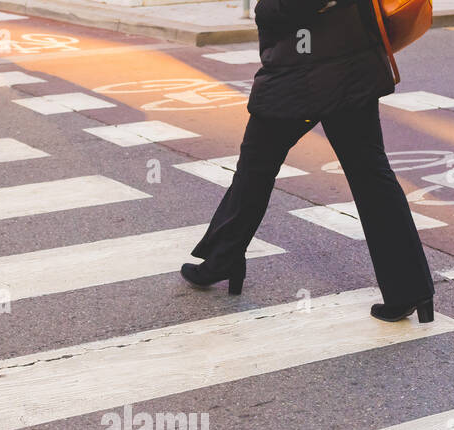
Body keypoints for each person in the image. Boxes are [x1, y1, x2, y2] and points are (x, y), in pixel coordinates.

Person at [182, 0, 435, 323]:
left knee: (255, 169)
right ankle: (410, 290)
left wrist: (265, 10)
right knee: (371, 176)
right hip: (350, 63)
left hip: (301, 74)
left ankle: (222, 259)